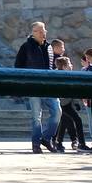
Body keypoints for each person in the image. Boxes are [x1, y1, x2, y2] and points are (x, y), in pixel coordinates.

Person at [15, 21, 61, 154]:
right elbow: (18, 66)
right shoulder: (25, 47)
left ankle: (46, 138)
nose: (42, 33)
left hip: (49, 86)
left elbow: (51, 66)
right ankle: (36, 143)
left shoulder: (49, 47)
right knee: (36, 116)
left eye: (44, 31)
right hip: (33, 86)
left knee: (57, 112)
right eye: (39, 31)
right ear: (33, 33)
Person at [53, 57, 86, 152]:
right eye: (69, 64)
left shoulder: (64, 75)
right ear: (64, 67)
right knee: (77, 120)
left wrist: (75, 102)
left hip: (65, 103)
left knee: (64, 122)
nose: (71, 65)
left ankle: (58, 143)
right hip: (63, 104)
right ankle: (81, 144)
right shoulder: (62, 76)